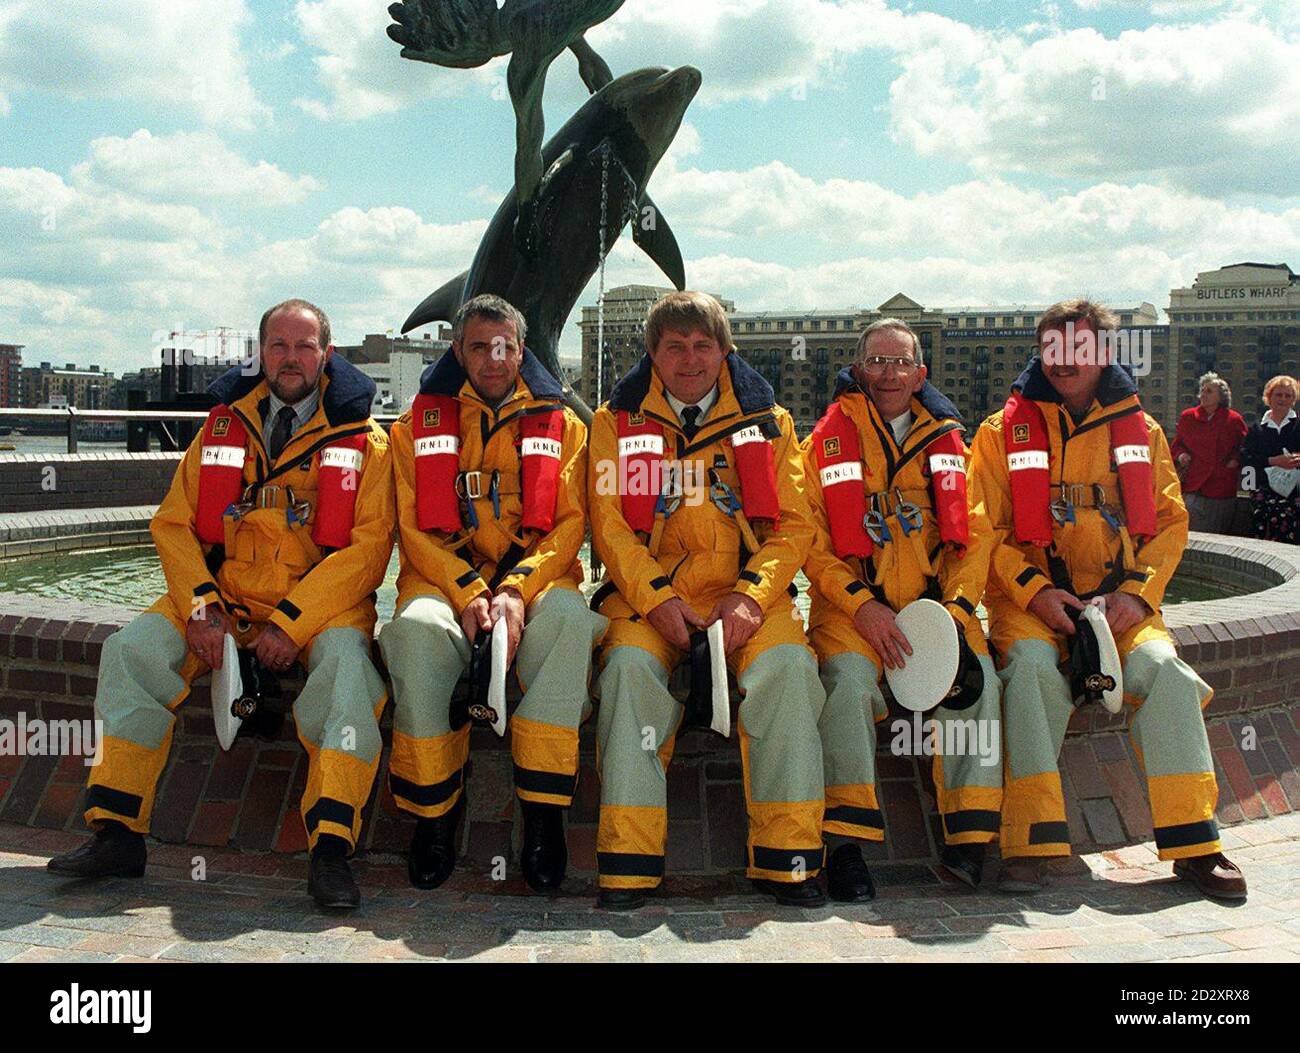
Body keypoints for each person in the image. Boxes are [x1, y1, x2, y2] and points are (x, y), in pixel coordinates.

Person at [48, 299, 396, 910]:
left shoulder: (367, 444)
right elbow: (175, 524)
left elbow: (368, 553)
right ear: (261, 353)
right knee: (130, 653)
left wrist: (291, 623)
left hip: (319, 611)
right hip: (225, 600)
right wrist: (200, 607)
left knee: (348, 677)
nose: (291, 358)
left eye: (305, 346)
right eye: (279, 346)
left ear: (328, 355)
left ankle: (333, 848)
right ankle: (117, 832)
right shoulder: (219, 430)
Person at [968, 298, 1246, 900]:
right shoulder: (998, 433)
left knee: (1168, 675)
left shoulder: (1141, 432)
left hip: (1120, 607)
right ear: (1041, 353)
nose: (1066, 361)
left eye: (1080, 348)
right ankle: (1030, 842)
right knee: (1033, 675)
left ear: (1103, 353)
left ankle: (1197, 843)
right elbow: (981, 530)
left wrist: (1138, 597)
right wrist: (1034, 593)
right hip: (1032, 609)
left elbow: (1170, 523)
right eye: (1054, 348)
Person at [588, 291, 826, 910]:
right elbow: (611, 526)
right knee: (629, 673)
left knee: (790, 672)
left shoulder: (770, 424)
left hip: (748, 599)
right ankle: (628, 862)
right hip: (646, 602)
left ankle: (789, 859)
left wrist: (750, 598)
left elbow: (795, 526)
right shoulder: (616, 423)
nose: (690, 359)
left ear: (724, 351)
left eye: (702, 346)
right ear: (653, 353)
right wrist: (658, 600)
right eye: (675, 346)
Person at [378, 294, 605, 893]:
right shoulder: (412, 428)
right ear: (458, 351)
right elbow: (411, 527)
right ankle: (434, 812)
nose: (493, 357)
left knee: (570, 623)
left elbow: (570, 526)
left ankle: (544, 811)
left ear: (522, 349)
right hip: (442, 579)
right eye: (478, 346)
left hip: (537, 580)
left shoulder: (568, 428)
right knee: (415, 633)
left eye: (504, 345)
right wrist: (468, 590)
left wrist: (516, 590)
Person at [802, 319, 1003, 897]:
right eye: (877, 361)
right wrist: (863, 607)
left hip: (934, 609)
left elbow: (977, 536)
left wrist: (954, 616)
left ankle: (969, 838)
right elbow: (810, 541)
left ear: (921, 374)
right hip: (851, 616)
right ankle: (845, 844)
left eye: (901, 363)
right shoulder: (822, 443)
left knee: (976, 681)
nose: (889, 373)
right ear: (858, 369)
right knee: (845, 686)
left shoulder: (950, 443)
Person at [1170, 372, 1247, 535]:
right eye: (1202, 390)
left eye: (1209, 391)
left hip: (1221, 486)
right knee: (1189, 531)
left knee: (1217, 534)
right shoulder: (1188, 417)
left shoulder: (1233, 420)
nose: (1203, 394)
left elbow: (1244, 447)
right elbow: (1176, 445)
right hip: (1194, 483)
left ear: (1221, 397)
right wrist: (1181, 455)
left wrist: (1234, 461)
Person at [1242, 374, 1300, 544]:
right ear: (1269, 397)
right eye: (1278, 395)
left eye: (1287, 395)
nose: (1282, 399)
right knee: (1260, 520)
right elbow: (1246, 459)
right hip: (1264, 489)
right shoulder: (1258, 428)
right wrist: (1273, 461)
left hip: (1295, 491)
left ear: (1293, 400)